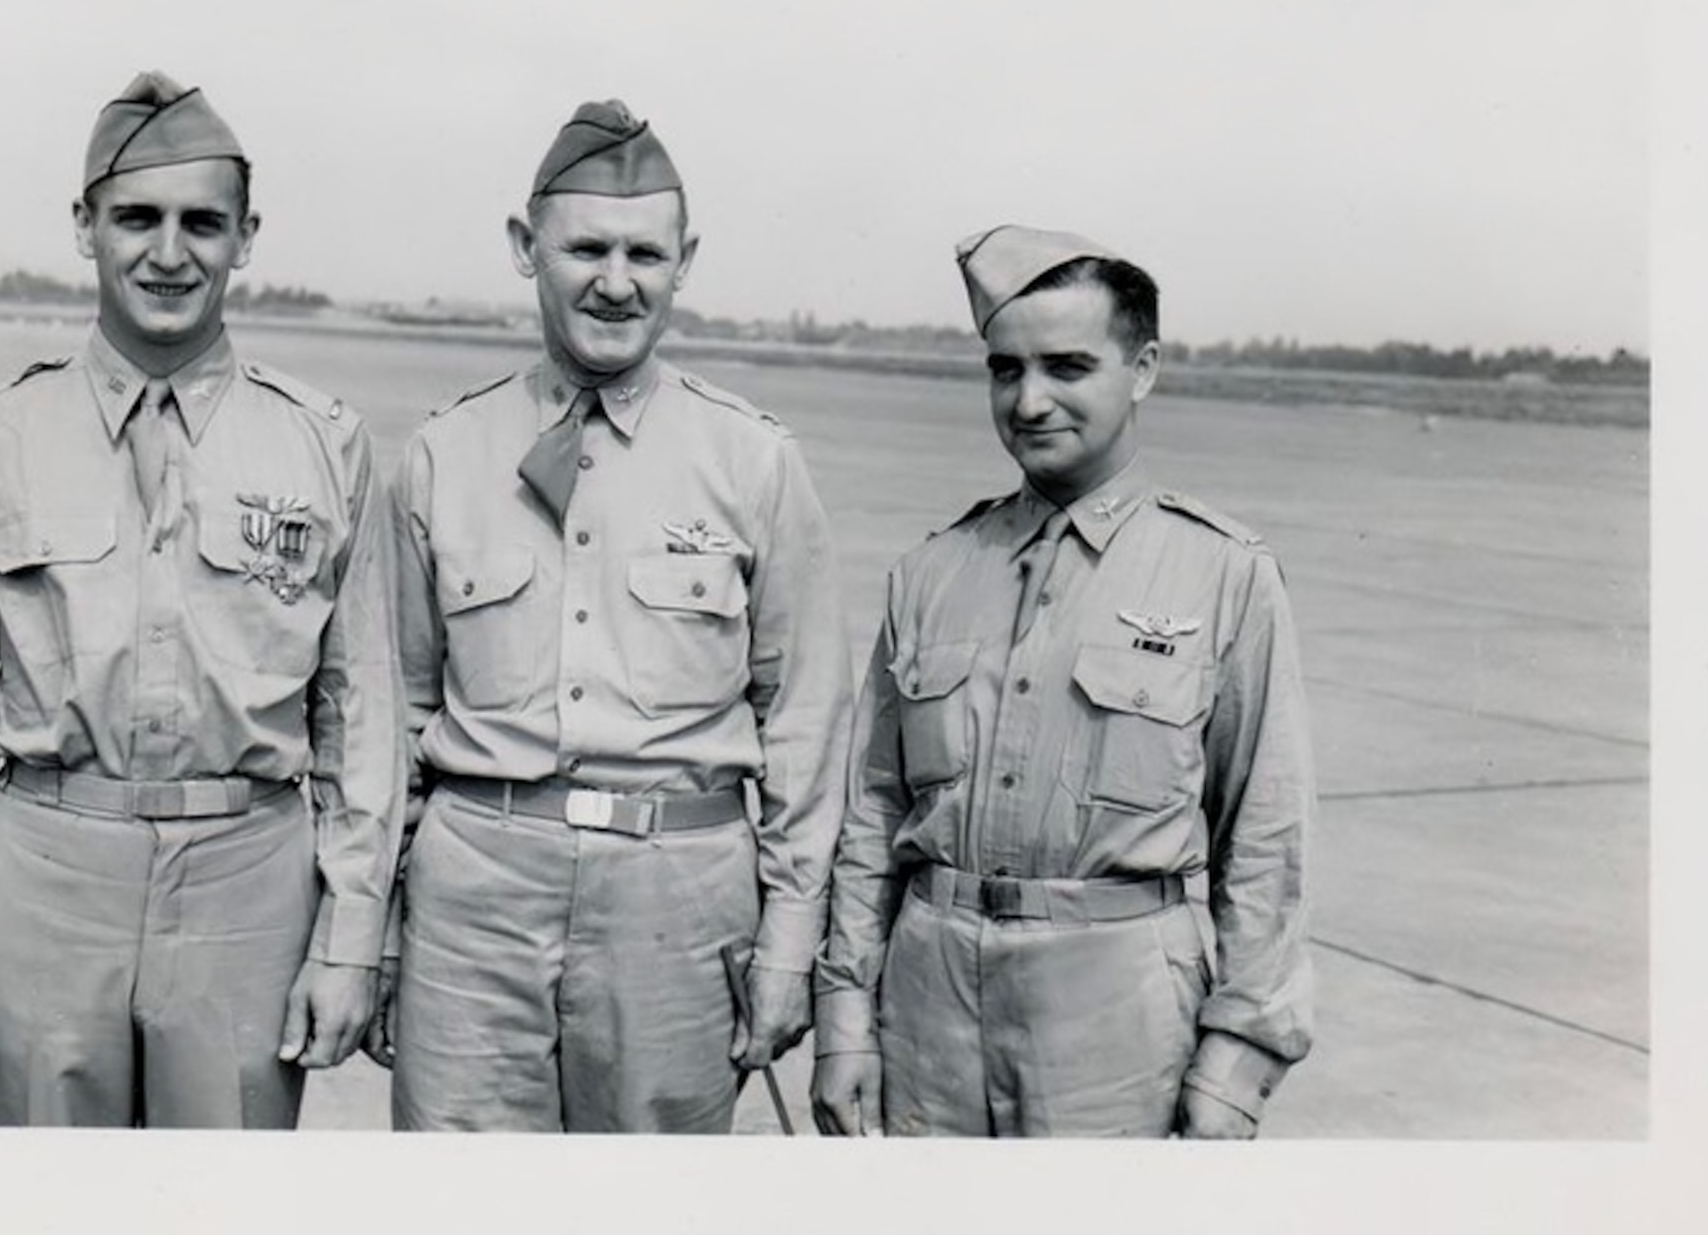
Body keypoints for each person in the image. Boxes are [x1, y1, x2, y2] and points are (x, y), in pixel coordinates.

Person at [0, 71, 402, 1128]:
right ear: (84, 225)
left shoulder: (324, 440)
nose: (170, 253)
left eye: (203, 222)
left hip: (249, 882)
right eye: (136, 219)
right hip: (41, 874)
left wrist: (349, 939)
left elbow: (363, 723)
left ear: (246, 235)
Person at [369, 99, 852, 1132]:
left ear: (684, 261)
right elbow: (392, 717)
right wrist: (377, 929)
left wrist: (789, 940)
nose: (615, 279)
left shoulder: (753, 461)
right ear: (523, 246)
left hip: (677, 900)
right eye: (585, 246)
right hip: (472, 894)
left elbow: (807, 726)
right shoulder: (441, 455)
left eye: (645, 251)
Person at [811, 224, 1314, 1138]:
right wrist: (845, 1018)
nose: (1030, 401)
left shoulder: (1224, 575)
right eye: (1005, 370)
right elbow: (873, 821)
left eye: (1068, 368)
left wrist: (1237, 1061)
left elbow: (1266, 843)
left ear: (1144, 367)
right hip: (927, 1012)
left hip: (1117, 1024)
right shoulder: (930, 572)